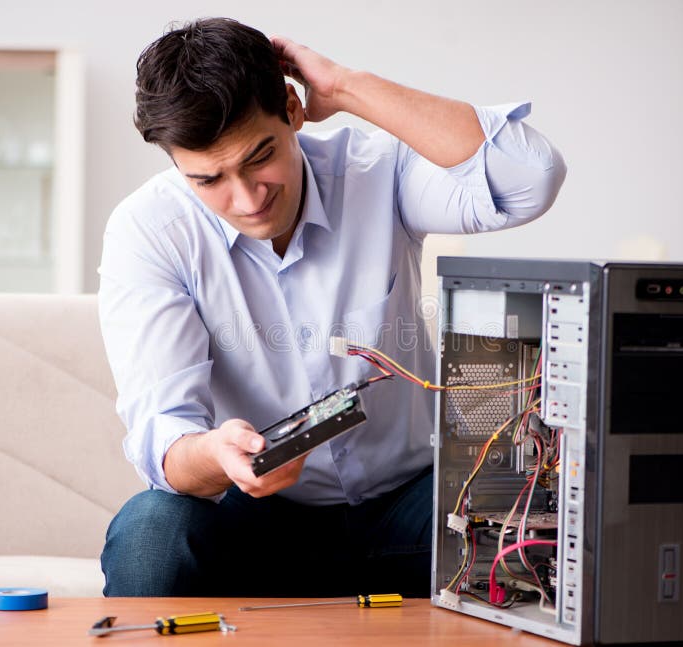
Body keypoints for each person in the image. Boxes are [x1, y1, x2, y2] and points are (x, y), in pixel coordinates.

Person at [99, 17, 566, 598]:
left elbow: (531, 179)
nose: (246, 198)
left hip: (414, 512)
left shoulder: (376, 172)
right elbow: (163, 437)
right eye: (209, 179)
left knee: (550, 522)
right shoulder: (150, 231)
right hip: (263, 521)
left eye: (260, 156)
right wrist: (219, 456)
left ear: (292, 109)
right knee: (151, 530)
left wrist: (345, 86)